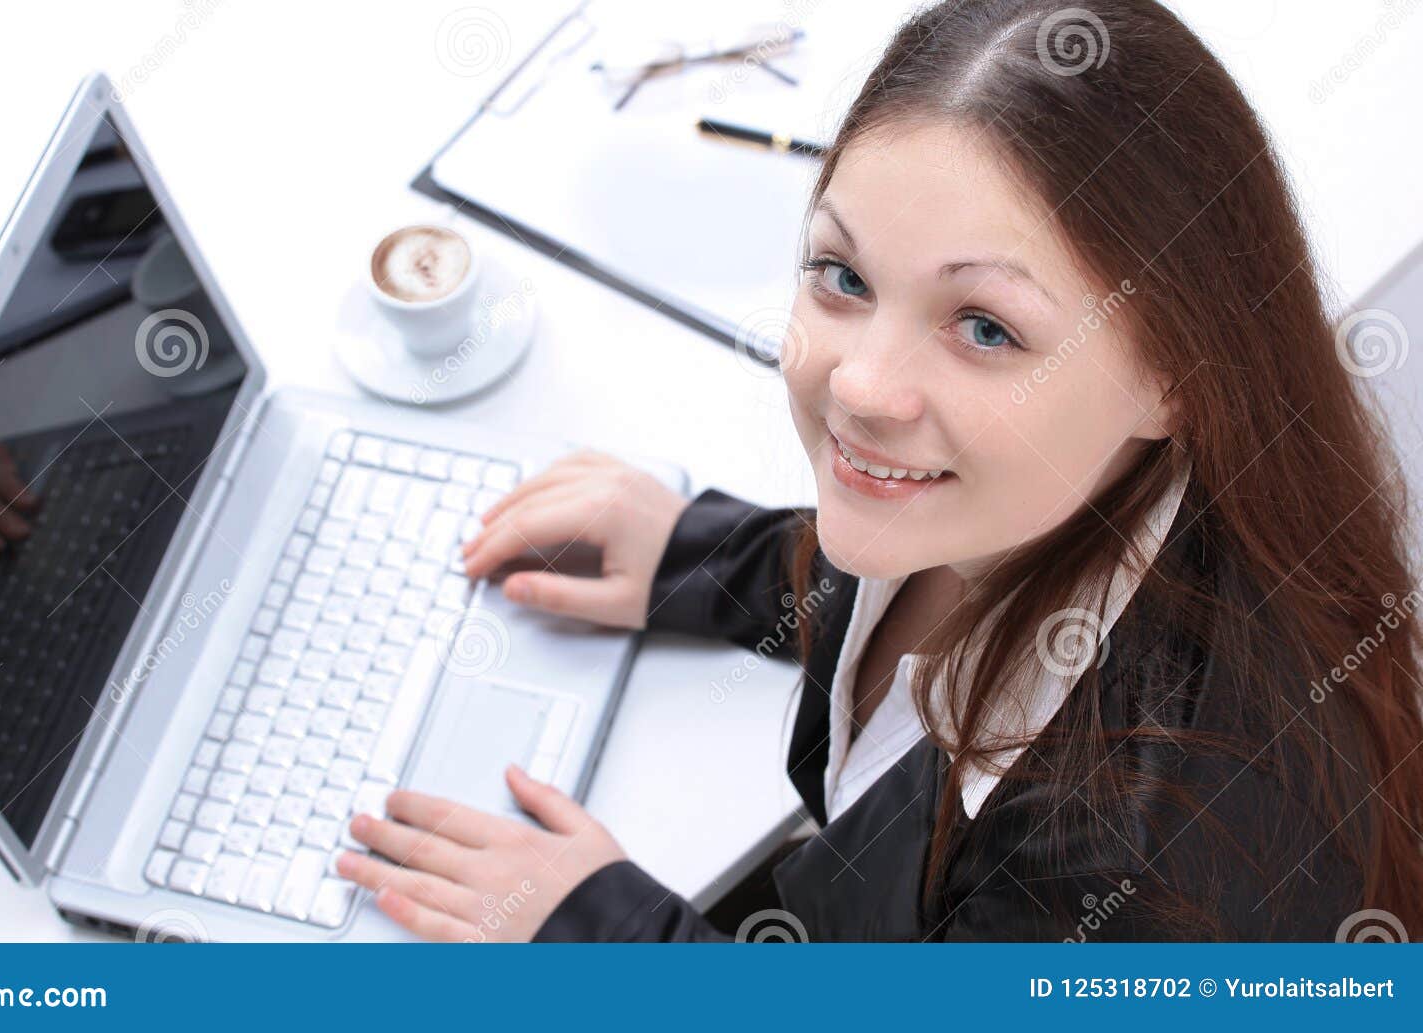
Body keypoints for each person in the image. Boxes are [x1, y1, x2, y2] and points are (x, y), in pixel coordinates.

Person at [332, 0, 1423, 941]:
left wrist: (608, 936)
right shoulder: (1035, 489)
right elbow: (932, 554)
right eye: (841, 274)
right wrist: (697, 553)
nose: (859, 387)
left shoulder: (1133, 875)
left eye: (985, 328)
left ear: (1176, 377)